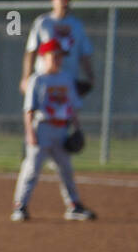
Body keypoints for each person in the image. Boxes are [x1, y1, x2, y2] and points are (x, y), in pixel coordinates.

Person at [12, 40, 96, 222]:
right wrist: (30, 133)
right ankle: (20, 206)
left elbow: (72, 107)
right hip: (41, 129)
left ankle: (73, 206)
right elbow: (28, 110)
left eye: (60, 56)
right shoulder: (37, 79)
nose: (58, 59)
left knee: (66, 169)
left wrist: (78, 128)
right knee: (31, 169)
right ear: (44, 57)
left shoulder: (66, 79)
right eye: (54, 56)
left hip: (61, 130)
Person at [20, 0, 94, 100]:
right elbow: (31, 51)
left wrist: (90, 76)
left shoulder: (76, 25)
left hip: (68, 79)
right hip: (45, 79)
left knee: (67, 113)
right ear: (53, 0)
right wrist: (26, 77)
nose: (64, 2)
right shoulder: (43, 22)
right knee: (42, 112)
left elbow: (84, 53)